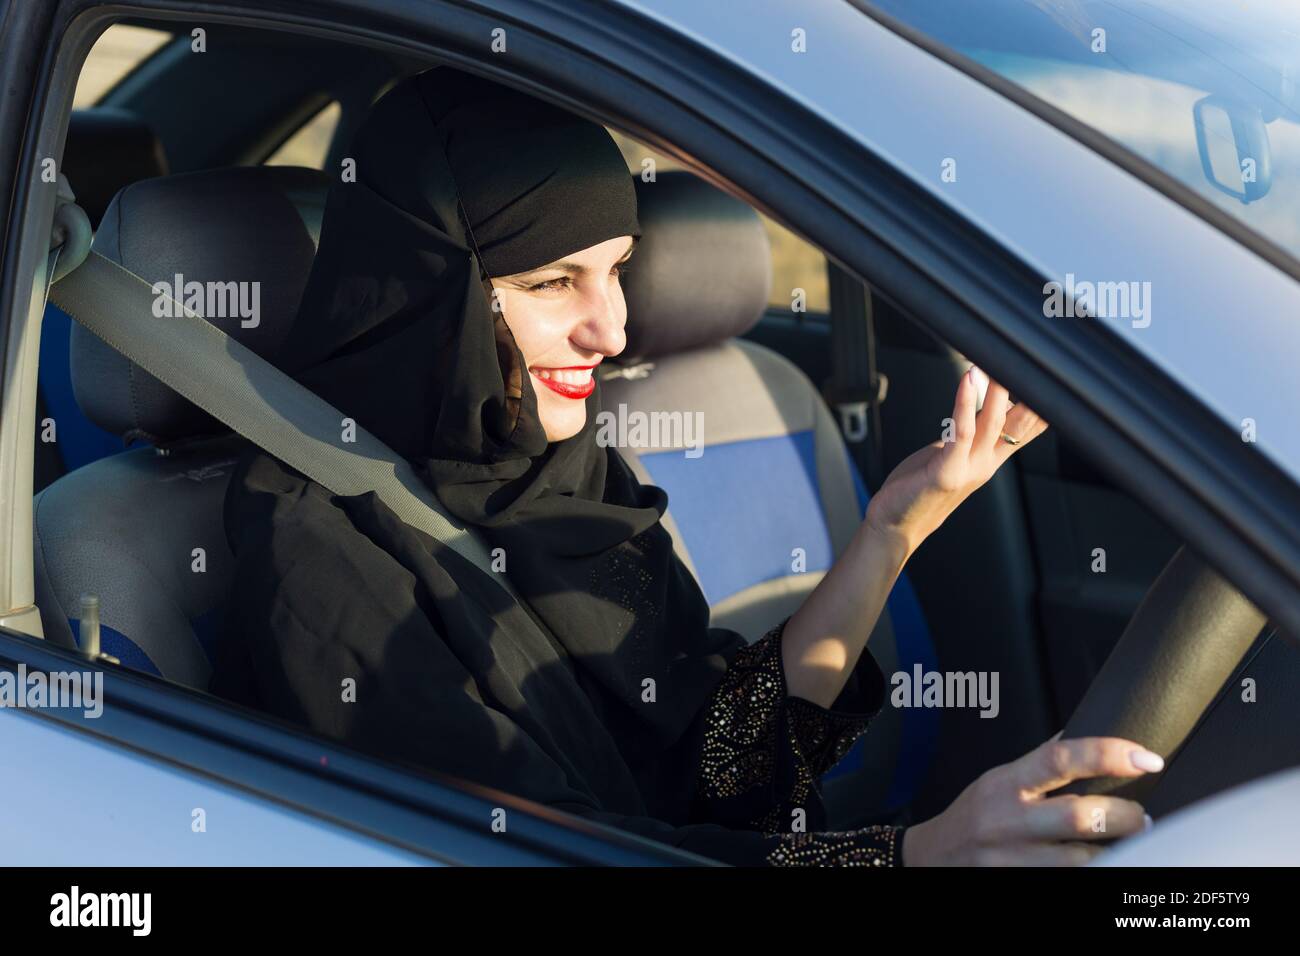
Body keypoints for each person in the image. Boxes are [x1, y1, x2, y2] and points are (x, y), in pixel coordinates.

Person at [212, 66, 1159, 866]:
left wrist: (895, 526)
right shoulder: (318, 537)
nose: (614, 328)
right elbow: (556, 855)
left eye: (618, 267)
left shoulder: (566, 470)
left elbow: (719, 767)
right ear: (434, 293)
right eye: (551, 283)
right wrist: (910, 856)